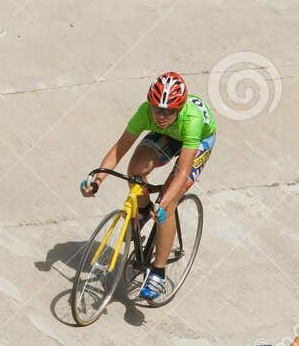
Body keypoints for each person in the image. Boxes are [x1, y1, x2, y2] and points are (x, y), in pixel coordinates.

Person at [81, 71, 216, 303]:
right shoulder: (145, 112)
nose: (161, 116)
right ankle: (143, 211)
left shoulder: (191, 119)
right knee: (135, 170)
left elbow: (183, 171)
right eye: (157, 110)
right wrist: (97, 180)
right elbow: (118, 150)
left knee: (168, 201)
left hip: (198, 139)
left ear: (180, 108)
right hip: (170, 135)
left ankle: (158, 272)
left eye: (168, 111)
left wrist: (164, 204)